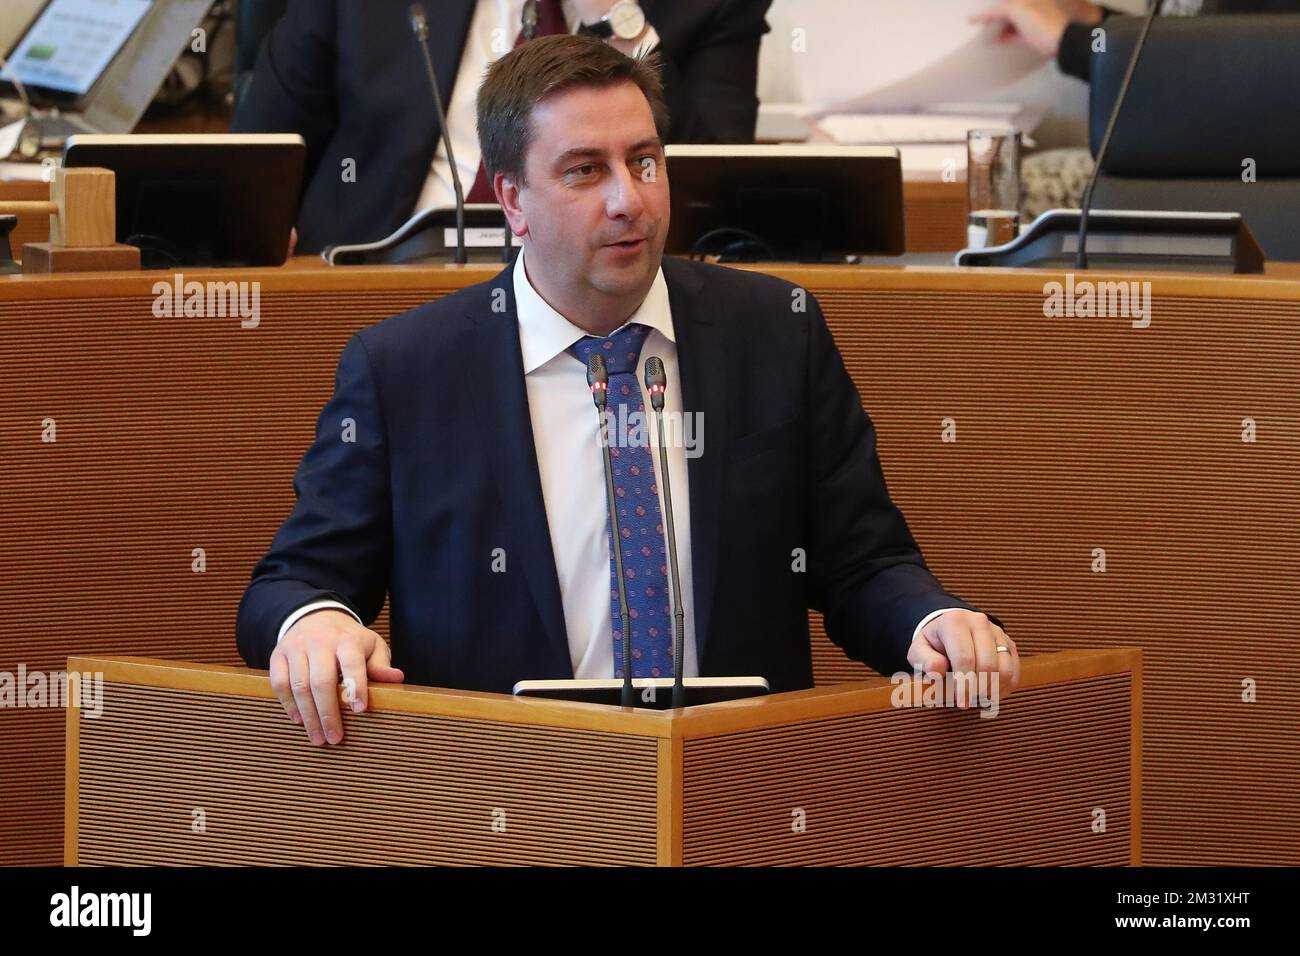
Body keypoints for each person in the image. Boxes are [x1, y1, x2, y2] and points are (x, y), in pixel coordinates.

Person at [236, 34, 1019, 746]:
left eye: (644, 161)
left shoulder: (774, 333)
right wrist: (317, 623)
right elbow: (293, 582)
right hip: (502, 798)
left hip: (735, 787)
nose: (630, 199)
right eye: (586, 170)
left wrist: (930, 619)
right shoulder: (407, 369)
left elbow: (862, 562)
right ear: (511, 200)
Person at [231, 0, 771, 253]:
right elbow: (251, 170)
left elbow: (720, 193)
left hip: (604, 292)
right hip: (376, 275)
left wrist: (617, 19)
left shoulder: (711, 6)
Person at [973, 0, 1300, 82]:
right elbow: (1166, 44)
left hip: (1234, 179)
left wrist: (1066, 40)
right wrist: (1090, 20)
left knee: (1019, 185)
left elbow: (1220, 80)